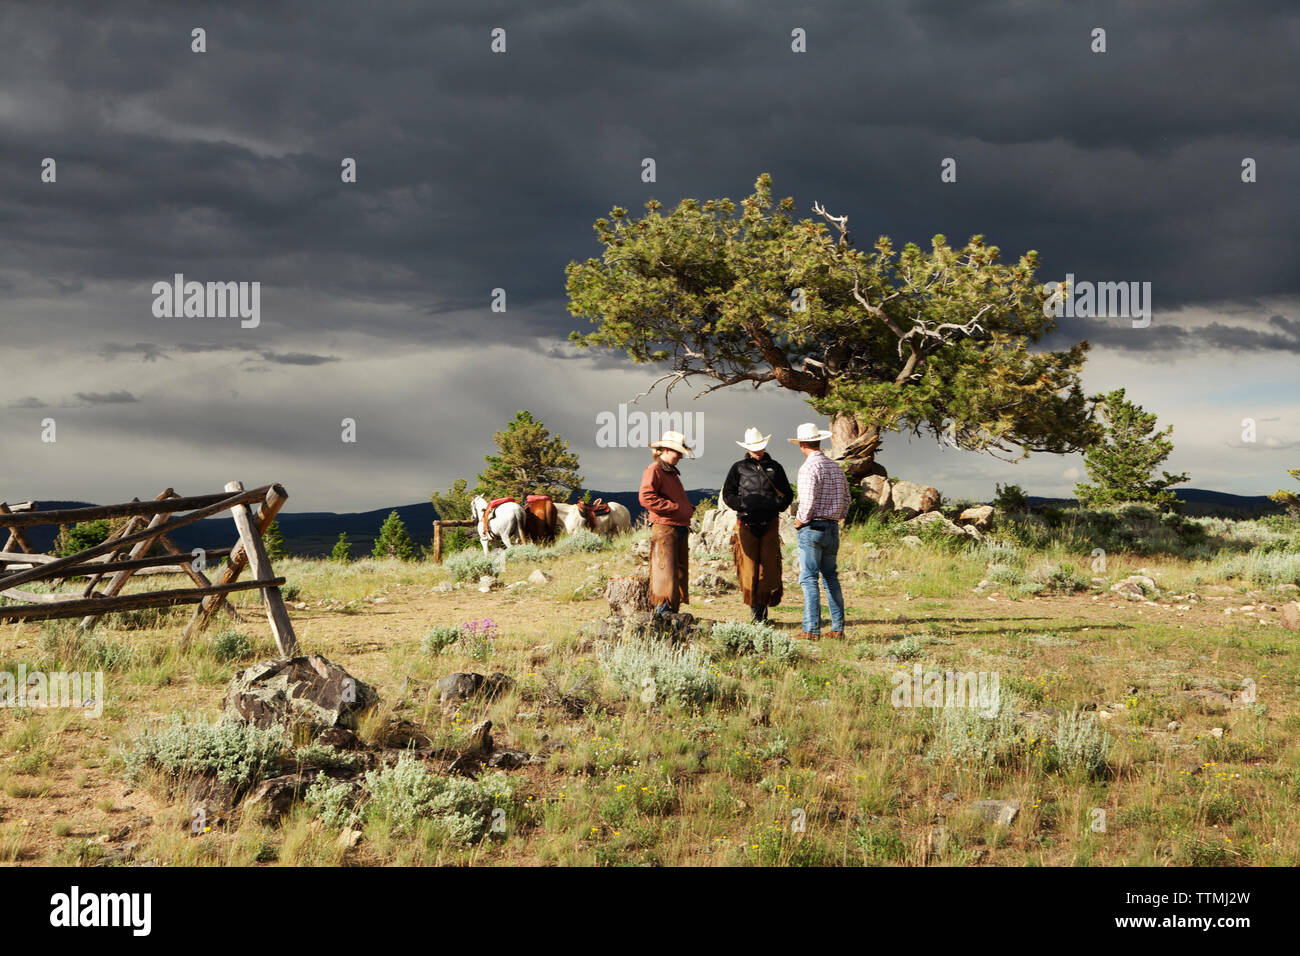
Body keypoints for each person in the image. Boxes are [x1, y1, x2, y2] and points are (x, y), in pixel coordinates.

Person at [721, 427, 793, 623]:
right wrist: (742, 504)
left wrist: (777, 506)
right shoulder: (738, 468)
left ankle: (762, 613)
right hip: (746, 523)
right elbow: (728, 494)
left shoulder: (776, 467)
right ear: (747, 448)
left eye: (759, 446)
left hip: (770, 522)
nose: (757, 450)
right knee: (749, 568)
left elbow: (787, 493)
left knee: (768, 568)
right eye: (754, 447)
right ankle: (756, 614)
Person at [788, 422, 850, 640]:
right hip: (832, 527)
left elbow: (807, 501)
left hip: (812, 527)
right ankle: (837, 628)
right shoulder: (835, 467)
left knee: (809, 579)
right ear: (819, 441)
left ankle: (811, 629)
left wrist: (799, 521)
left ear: (802, 444)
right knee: (831, 578)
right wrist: (837, 516)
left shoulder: (808, 468)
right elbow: (847, 500)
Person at [639, 430, 696, 617]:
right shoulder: (654, 469)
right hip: (665, 527)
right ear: (664, 450)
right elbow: (646, 497)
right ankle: (663, 617)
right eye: (677, 452)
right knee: (665, 574)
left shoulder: (670, 473)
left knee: (676, 573)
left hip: (676, 526)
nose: (680, 456)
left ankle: (670, 617)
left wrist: (685, 508)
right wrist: (674, 507)